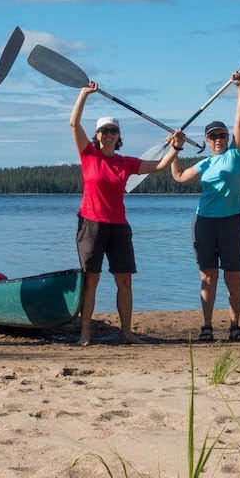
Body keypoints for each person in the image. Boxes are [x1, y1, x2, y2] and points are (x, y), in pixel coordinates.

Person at [71, 81, 184, 346]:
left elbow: (159, 166)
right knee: (92, 280)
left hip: (118, 226)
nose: (108, 134)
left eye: (113, 131)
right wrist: (83, 95)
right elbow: (74, 125)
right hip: (91, 224)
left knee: (124, 280)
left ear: (118, 136)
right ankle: (85, 332)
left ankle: (127, 332)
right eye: (104, 131)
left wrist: (175, 148)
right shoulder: (88, 155)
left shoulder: (126, 162)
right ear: (97, 135)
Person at [169, 69, 240, 342]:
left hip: (232, 222)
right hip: (204, 222)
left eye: (222, 136)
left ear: (228, 138)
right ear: (206, 140)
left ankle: (235, 327)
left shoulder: (236, 155)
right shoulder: (204, 163)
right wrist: (175, 150)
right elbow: (178, 177)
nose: (218, 140)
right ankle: (206, 327)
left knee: (234, 276)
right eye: (213, 137)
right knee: (208, 277)